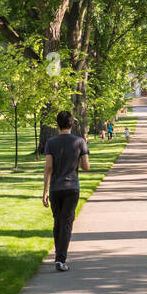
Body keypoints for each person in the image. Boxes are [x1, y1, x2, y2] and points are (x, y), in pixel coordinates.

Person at [42, 110, 90, 272]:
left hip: (55, 188)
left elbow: (48, 167)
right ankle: (60, 259)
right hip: (72, 188)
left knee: (58, 221)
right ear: (72, 124)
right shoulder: (79, 142)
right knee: (67, 223)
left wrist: (45, 191)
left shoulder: (51, 142)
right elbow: (86, 167)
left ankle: (59, 255)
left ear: (58, 124)